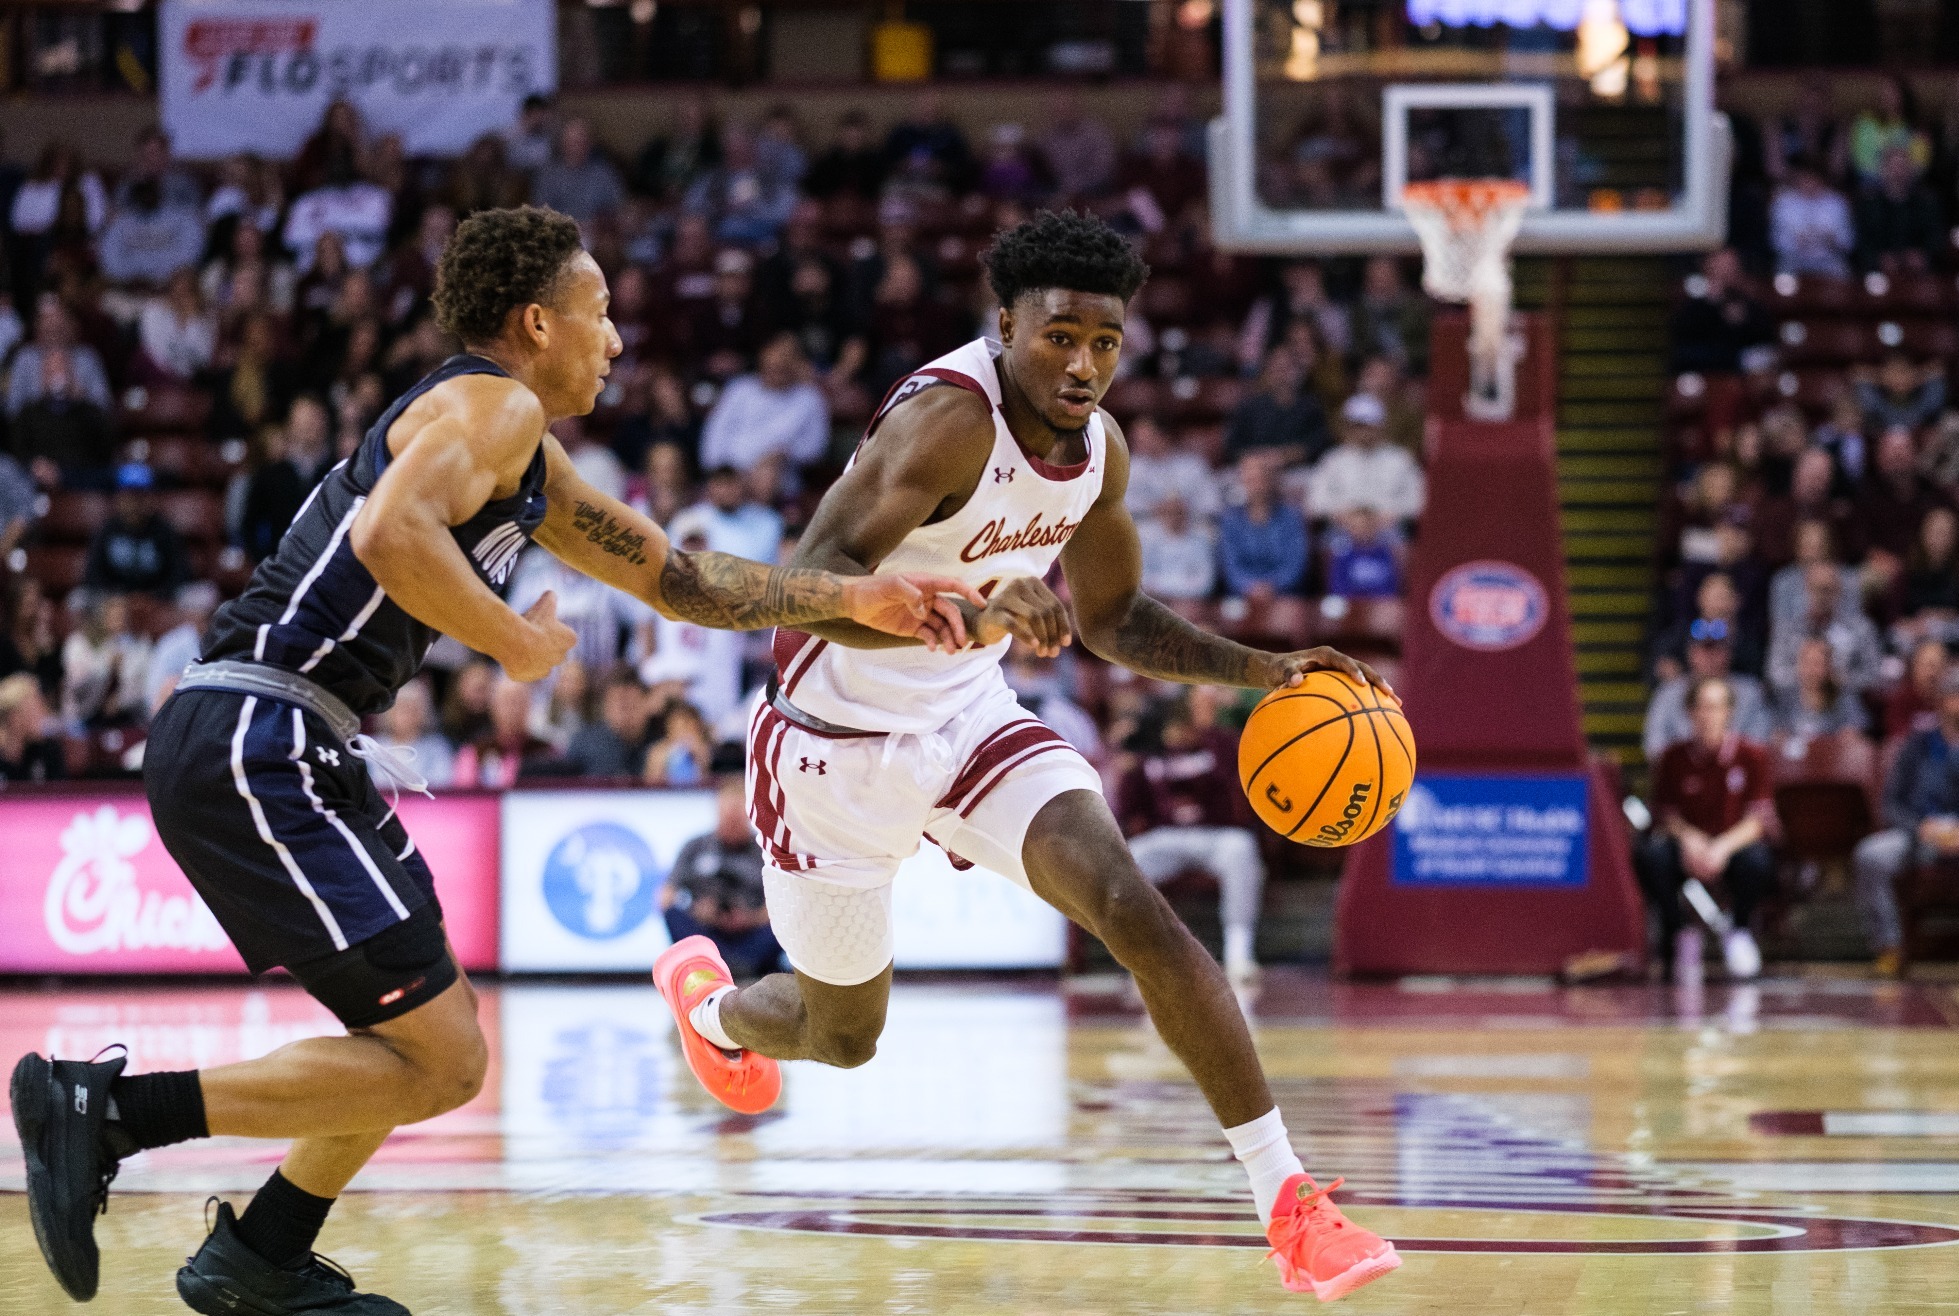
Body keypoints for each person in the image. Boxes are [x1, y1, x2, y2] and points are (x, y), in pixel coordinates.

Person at [12, 204, 980, 1314]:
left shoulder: (527, 457)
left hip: (291, 739)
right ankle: (111, 1113)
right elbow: (388, 533)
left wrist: (857, 596)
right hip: (257, 731)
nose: (616, 338)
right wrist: (514, 638)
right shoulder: (494, 402)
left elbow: (683, 580)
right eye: (601, 313)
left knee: (418, 1034)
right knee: (443, 1058)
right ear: (536, 321)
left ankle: (263, 1248)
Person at [653, 210, 1402, 1302]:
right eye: (1059, 336)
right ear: (1006, 323)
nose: (1084, 363)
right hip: (835, 745)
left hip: (967, 721)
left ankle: (1290, 1205)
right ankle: (709, 1006)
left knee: (1132, 905)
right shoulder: (947, 423)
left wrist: (1266, 670)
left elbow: (1117, 619)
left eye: (1106, 342)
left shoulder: (1100, 453)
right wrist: (960, 602)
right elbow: (816, 580)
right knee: (842, 1034)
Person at [1636, 676, 1777, 982]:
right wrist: (1691, 840)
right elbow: (1664, 814)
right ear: (1689, 712)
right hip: (1689, 844)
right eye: (1701, 707)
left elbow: (1758, 819)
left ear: (1729, 712)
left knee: (1758, 861)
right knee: (1653, 857)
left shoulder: (1753, 756)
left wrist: (1721, 847)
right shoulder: (1672, 758)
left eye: (1715, 707)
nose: (1707, 715)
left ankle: (1739, 931)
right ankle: (1680, 931)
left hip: (1732, 845)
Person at [1116, 697, 1265, 985]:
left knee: (1241, 849)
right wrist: (1126, 765)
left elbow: (1238, 780)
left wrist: (1209, 732)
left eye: (1184, 726)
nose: (1178, 735)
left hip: (1216, 834)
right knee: (1130, 858)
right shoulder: (1148, 754)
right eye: (1172, 728)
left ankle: (1239, 951)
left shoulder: (1219, 745)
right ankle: (1144, 955)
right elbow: (1127, 808)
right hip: (1167, 836)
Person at [1855, 667, 1959, 978]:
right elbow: (1891, 804)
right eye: (1952, 694)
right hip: (1921, 836)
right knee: (1871, 856)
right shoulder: (1917, 746)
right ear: (1940, 701)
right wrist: (1920, 829)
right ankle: (1889, 946)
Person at [665, 779, 782, 979]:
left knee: (785, 920)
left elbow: (784, 899)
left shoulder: (765, 851)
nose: (730, 825)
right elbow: (665, 897)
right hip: (708, 932)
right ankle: (727, 965)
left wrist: (753, 918)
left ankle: (727, 966)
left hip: (752, 934)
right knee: (673, 914)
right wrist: (698, 911)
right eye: (726, 818)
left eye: (736, 819)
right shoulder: (695, 846)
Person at [696, 332, 830, 474]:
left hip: (777, 475)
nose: (776, 369)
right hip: (730, 474)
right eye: (772, 366)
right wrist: (716, 472)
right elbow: (716, 433)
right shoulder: (739, 388)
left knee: (768, 474)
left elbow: (815, 448)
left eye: (782, 368)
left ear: (796, 364)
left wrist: (785, 453)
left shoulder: (809, 399)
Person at [1766, 559, 1883, 696]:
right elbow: (1774, 673)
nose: (1822, 596)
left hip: (1845, 700)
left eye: (1828, 589)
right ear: (1806, 589)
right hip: (1797, 704)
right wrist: (1810, 676)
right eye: (1816, 588)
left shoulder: (1862, 629)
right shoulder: (1787, 629)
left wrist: (1839, 680)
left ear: (1839, 591)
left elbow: (1874, 676)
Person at [1308, 393, 1425, 528]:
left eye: (1368, 425)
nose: (1363, 431)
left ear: (1381, 426)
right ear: (1347, 427)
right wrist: (1344, 516)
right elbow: (1315, 501)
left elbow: (1418, 500)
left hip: (1388, 529)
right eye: (1357, 425)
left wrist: (1388, 516)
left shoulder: (1400, 459)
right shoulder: (1333, 459)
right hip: (1343, 529)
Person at [83, 464, 190, 599]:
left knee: (198, 596)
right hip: (115, 600)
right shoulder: (107, 530)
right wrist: (116, 597)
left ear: (151, 498)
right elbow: (93, 575)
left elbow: (180, 574)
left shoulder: (165, 530)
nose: (135, 503)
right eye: (129, 495)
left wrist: (153, 597)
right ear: (119, 498)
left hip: (158, 599)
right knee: (78, 599)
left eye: (140, 496)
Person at [1223, 345, 1328, 466]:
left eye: (1288, 368)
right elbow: (1232, 446)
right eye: (1278, 368)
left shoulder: (1311, 406)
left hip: (1298, 472)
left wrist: (1286, 455)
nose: (1282, 375)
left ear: (1300, 371)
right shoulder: (1249, 407)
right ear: (1268, 371)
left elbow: (1319, 444)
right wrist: (1261, 458)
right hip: (1253, 470)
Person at [362, 677, 455, 791]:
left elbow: (442, 784)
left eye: (412, 709)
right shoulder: (370, 746)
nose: (406, 715)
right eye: (400, 708)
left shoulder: (436, 748)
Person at [1767, 637, 1868, 741]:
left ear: (1829, 667)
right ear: (1798, 665)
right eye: (1806, 663)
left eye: (1817, 664)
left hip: (1831, 753)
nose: (1811, 671)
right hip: (1796, 754)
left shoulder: (1844, 696)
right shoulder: (1785, 697)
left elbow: (1855, 729)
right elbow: (1776, 733)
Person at [1770, 156, 1854, 278]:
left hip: (1828, 259)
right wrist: (1794, 243)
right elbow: (1775, 240)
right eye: (1804, 179)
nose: (1808, 183)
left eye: (1813, 179)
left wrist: (1834, 242)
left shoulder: (1837, 203)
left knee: (1841, 272)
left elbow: (1848, 241)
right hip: (1793, 258)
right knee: (1783, 274)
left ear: (1821, 180)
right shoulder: (1783, 202)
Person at [563, 670, 650, 778]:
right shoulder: (583, 744)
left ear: (647, 704)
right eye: (621, 705)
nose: (627, 713)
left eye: (632, 704)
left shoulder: (661, 743)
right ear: (605, 708)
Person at [0, 672, 62, 784]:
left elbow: (61, 798)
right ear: (14, 715)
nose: (43, 712)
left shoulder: (48, 752)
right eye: (35, 706)